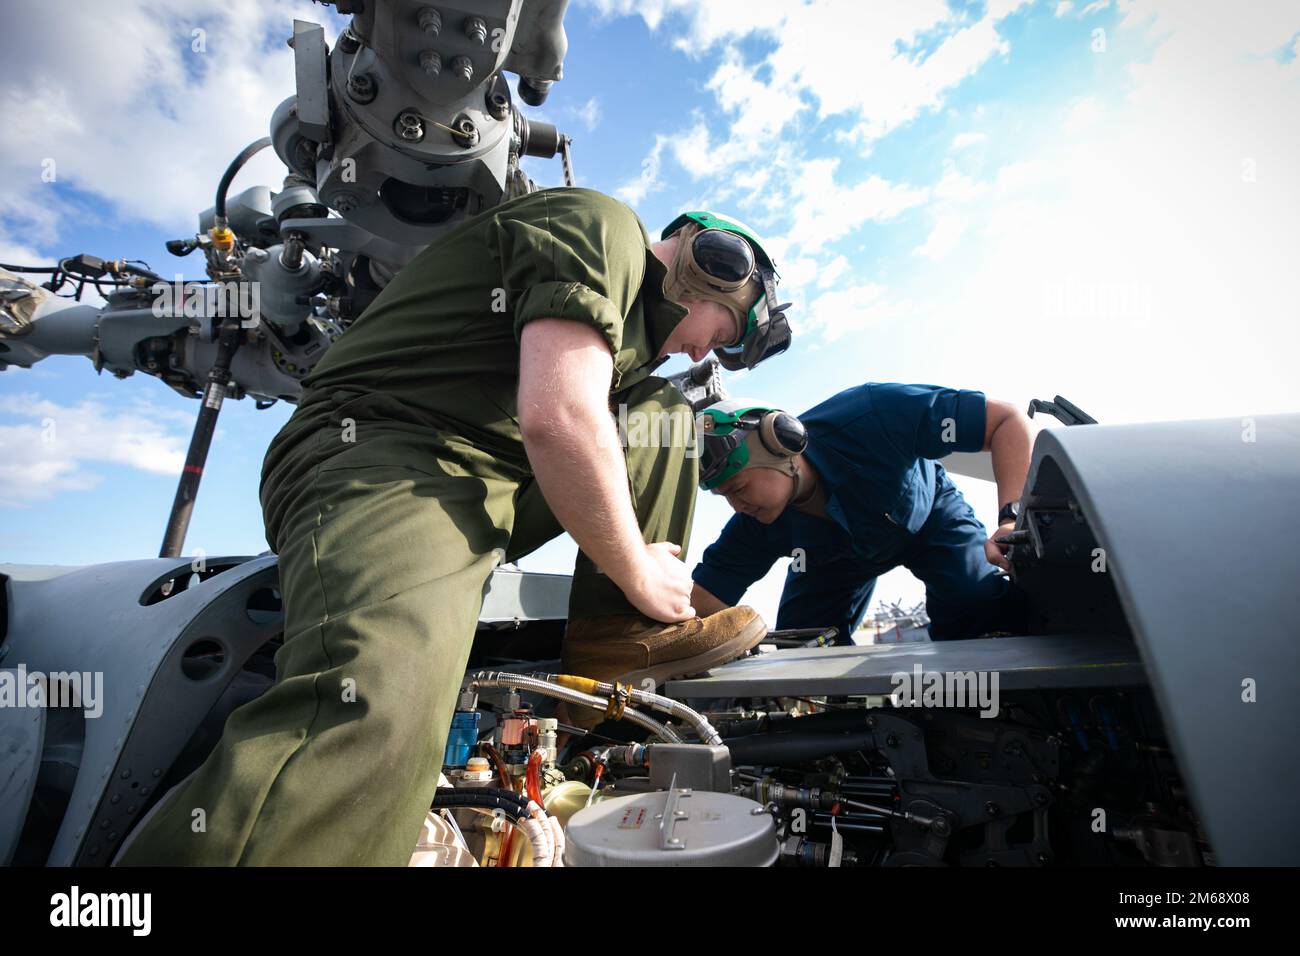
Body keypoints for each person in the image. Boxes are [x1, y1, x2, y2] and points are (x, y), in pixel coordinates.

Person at [117, 191, 791, 865]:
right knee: (381, 699)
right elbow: (559, 417)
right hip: (384, 454)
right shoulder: (605, 226)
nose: (703, 348)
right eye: (724, 332)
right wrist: (641, 569)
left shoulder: (638, 358)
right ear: (715, 266)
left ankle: (614, 635)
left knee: (661, 413)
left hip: (490, 486)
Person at [690, 384, 1034, 644]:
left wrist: (1010, 519)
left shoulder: (873, 415)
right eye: (724, 497)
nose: (737, 505)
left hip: (931, 518)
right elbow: (704, 600)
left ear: (781, 444)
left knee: (975, 604)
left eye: (738, 488)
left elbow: (1005, 421)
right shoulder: (755, 521)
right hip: (831, 562)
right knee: (803, 647)